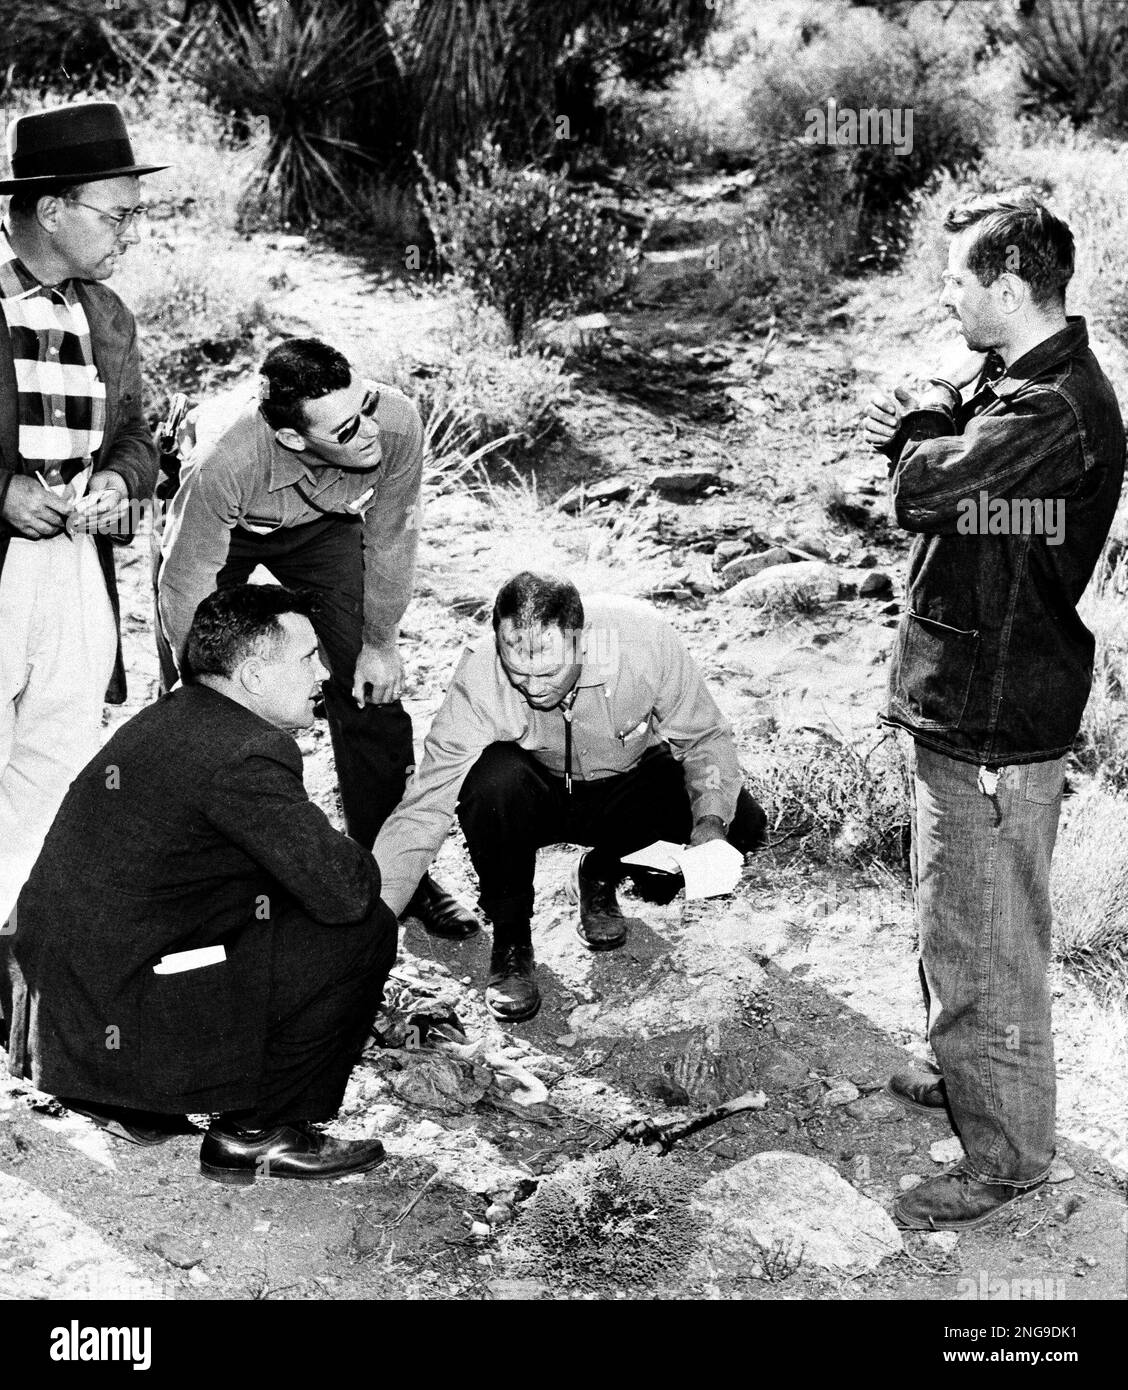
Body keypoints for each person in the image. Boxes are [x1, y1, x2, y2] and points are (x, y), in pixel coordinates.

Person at [863, 191, 1125, 1230]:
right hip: (973, 698)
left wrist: (922, 433)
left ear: (1009, 290)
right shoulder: (1023, 384)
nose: (945, 296)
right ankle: (974, 1076)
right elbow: (960, 495)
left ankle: (1008, 1151)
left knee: (987, 938)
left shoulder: (1051, 408)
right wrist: (938, 443)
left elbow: (926, 487)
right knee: (954, 918)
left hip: (993, 717)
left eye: (958, 281)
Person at [0, 585, 394, 1184]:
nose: (325, 671)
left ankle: (122, 1098)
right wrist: (354, 856)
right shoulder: (248, 751)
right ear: (256, 677)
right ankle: (257, 1133)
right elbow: (345, 892)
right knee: (362, 930)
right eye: (309, 656)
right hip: (114, 1014)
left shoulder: (175, 716)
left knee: (270, 901)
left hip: (58, 1014)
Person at [156, 335, 478, 939]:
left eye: (366, 406)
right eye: (346, 428)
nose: (369, 433)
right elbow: (186, 585)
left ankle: (392, 865)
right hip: (225, 529)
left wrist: (380, 642)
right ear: (293, 438)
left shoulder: (395, 421)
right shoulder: (226, 459)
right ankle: (202, 869)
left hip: (320, 526)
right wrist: (197, 686)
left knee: (370, 684)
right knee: (198, 706)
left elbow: (391, 538)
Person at [374, 572, 766, 1022]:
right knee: (491, 780)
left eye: (548, 672)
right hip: (539, 799)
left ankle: (603, 868)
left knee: (740, 824)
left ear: (582, 643)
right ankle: (512, 938)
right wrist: (373, 922)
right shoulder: (481, 673)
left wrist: (709, 827)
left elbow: (703, 739)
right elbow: (425, 805)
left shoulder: (641, 640)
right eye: (518, 672)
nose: (534, 687)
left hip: (628, 792)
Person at [0, 101, 163, 927]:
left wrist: (116, 484)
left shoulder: (105, 315)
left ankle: (14, 931)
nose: (128, 233)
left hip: (70, 559)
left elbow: (137, 434)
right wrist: (0, 492)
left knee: (60, 741)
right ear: (52, 209)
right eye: (118, 214)